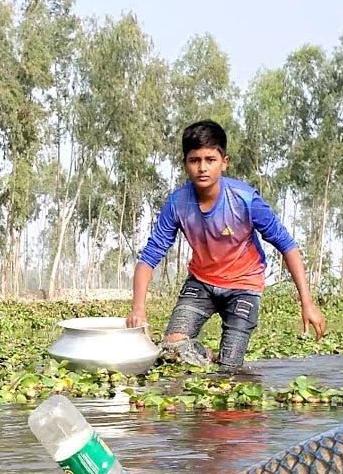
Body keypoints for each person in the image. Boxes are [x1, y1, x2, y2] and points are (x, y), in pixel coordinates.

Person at [126, 119, 326, 371]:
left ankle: (224, 363)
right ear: (185, 163)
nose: (202, 168)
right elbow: (150, 256)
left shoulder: (245, 199)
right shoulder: (178, 203)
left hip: (244, 285)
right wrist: (138, 309)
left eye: (210, 160)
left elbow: (287, 246)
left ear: (224, 162)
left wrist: (307, 303)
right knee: (172, 348)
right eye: (194, 160)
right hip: (201, 282)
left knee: (230, 370)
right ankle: (207, 355)